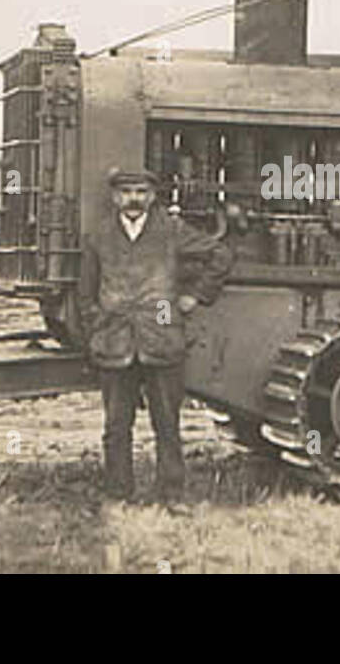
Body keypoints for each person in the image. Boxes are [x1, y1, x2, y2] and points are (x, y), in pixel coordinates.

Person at [81, 167, 233, 504]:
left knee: (167, 425)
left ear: (151, 196)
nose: (133, 199)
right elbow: (86, 293)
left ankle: (172, 496)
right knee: (116, 428)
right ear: (115, 197)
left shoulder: (171, 230)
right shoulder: (99, 235)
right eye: (126, 192)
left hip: (161, 337)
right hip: (114, 341)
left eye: (141, 192)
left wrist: (195, 296)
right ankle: (119, 495)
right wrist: (97, 326)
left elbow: (220, 256)